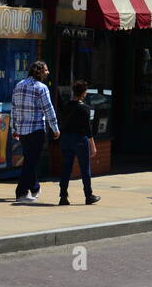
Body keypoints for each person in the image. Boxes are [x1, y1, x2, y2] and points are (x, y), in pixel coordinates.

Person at [11, 60, 59, 204]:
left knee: (30, 160)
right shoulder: (41, 88)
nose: (48, 72)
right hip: (36, 129)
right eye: (46, 70)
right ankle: (21, 193)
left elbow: (14, 108)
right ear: (39, 71)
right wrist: (55, 128)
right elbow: (48, 109)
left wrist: (14, 128)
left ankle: (35, 187)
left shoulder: (18, 85)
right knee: (31, 162)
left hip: (23, 131)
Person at [58, 80, 100, 206]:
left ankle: (63, 196)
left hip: (66, 138)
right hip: (79, 140)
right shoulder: (85, 109)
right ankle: (88, 195)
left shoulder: (66, 106)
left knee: (66, 168)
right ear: (84, 93)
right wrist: (93, 145)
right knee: (84, 168)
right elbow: (88, 129)